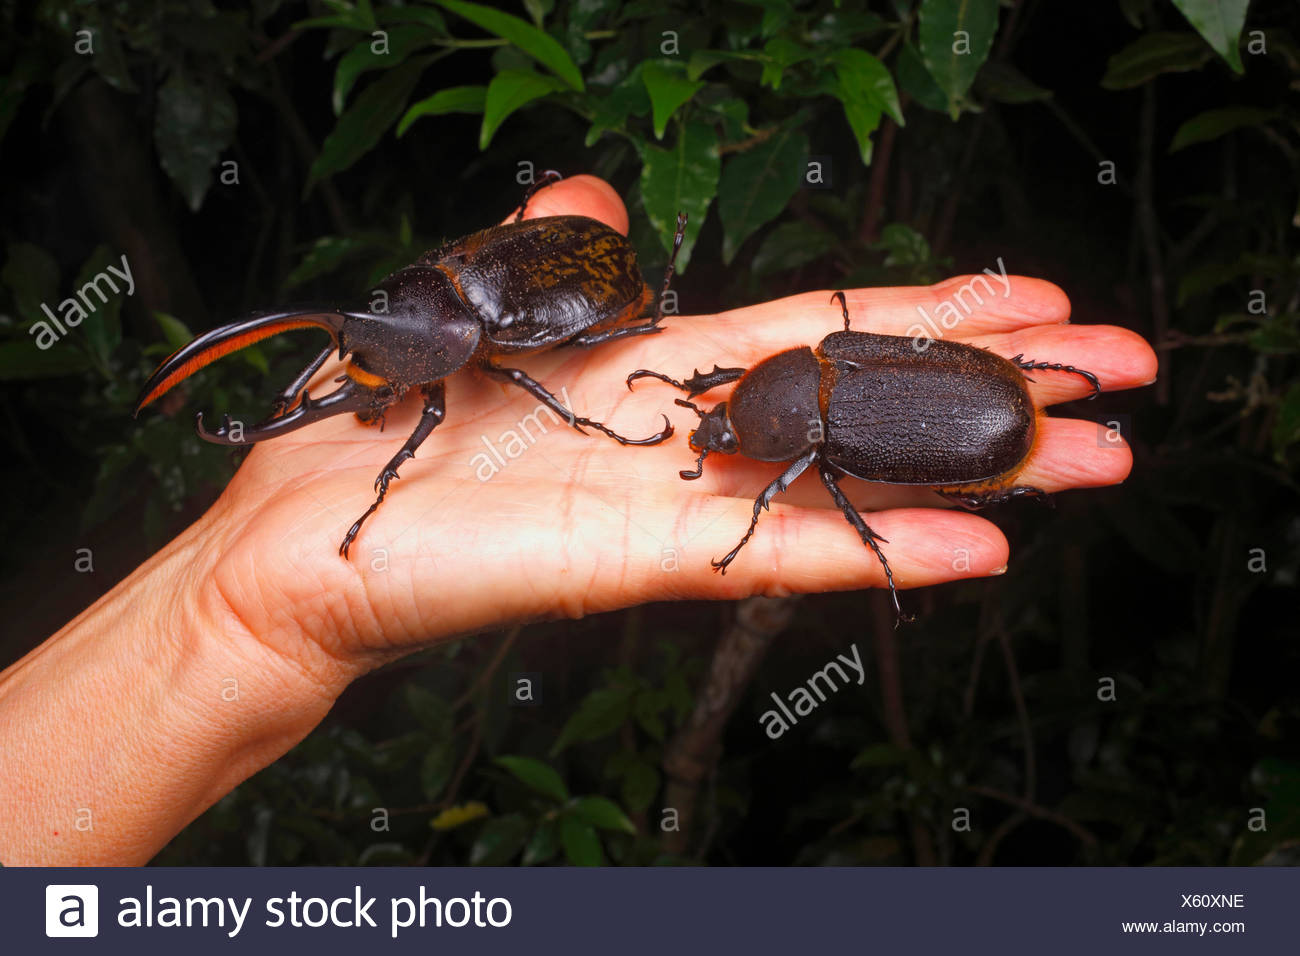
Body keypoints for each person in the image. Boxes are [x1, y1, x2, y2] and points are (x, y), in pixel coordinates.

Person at [0, 175, 1158, 865]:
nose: (374, 391)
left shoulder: (790, 419)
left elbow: (733, 422)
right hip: (791, 375)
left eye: (381, 374)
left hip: (634, 321)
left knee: (924, 459)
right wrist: (230, 603)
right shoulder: (798, 380)